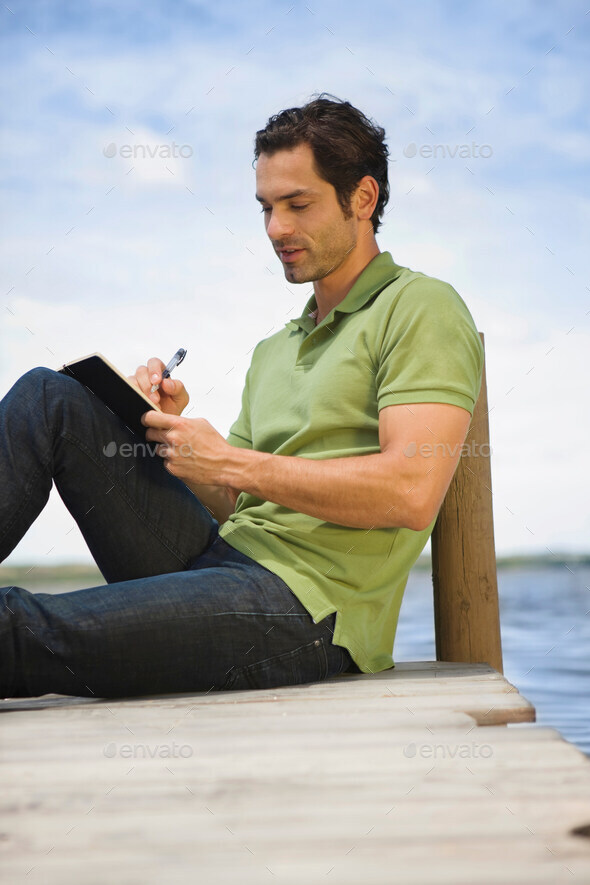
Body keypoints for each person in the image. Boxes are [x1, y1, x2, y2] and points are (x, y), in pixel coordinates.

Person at [0, 95, 483, 699]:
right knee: (51, 396)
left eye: (298, 204)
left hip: (308, 612)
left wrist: (228, 458)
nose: (277, 229)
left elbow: (411, 492)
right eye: (266, 208)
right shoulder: (275, 349)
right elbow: (236, 502)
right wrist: (173, 435)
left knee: (16, 625)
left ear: (362, 198)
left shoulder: (421, 307)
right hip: (218, 559)